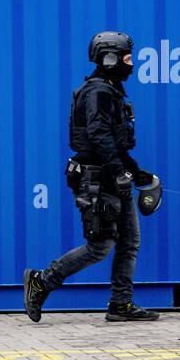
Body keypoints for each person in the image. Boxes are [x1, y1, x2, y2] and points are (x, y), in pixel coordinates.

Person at [24, 31, 160, 323]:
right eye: (127, 59)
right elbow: (99, 137)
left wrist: (135, 173)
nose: (132, 65)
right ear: (110, 60)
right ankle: (42, 280)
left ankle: (120, 305)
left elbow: (116, 141)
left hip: (112, 176)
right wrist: (118, 172)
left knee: (129, 241)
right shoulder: (98, 91)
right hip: (96, 180)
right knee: (100, 246)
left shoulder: (111, 90)